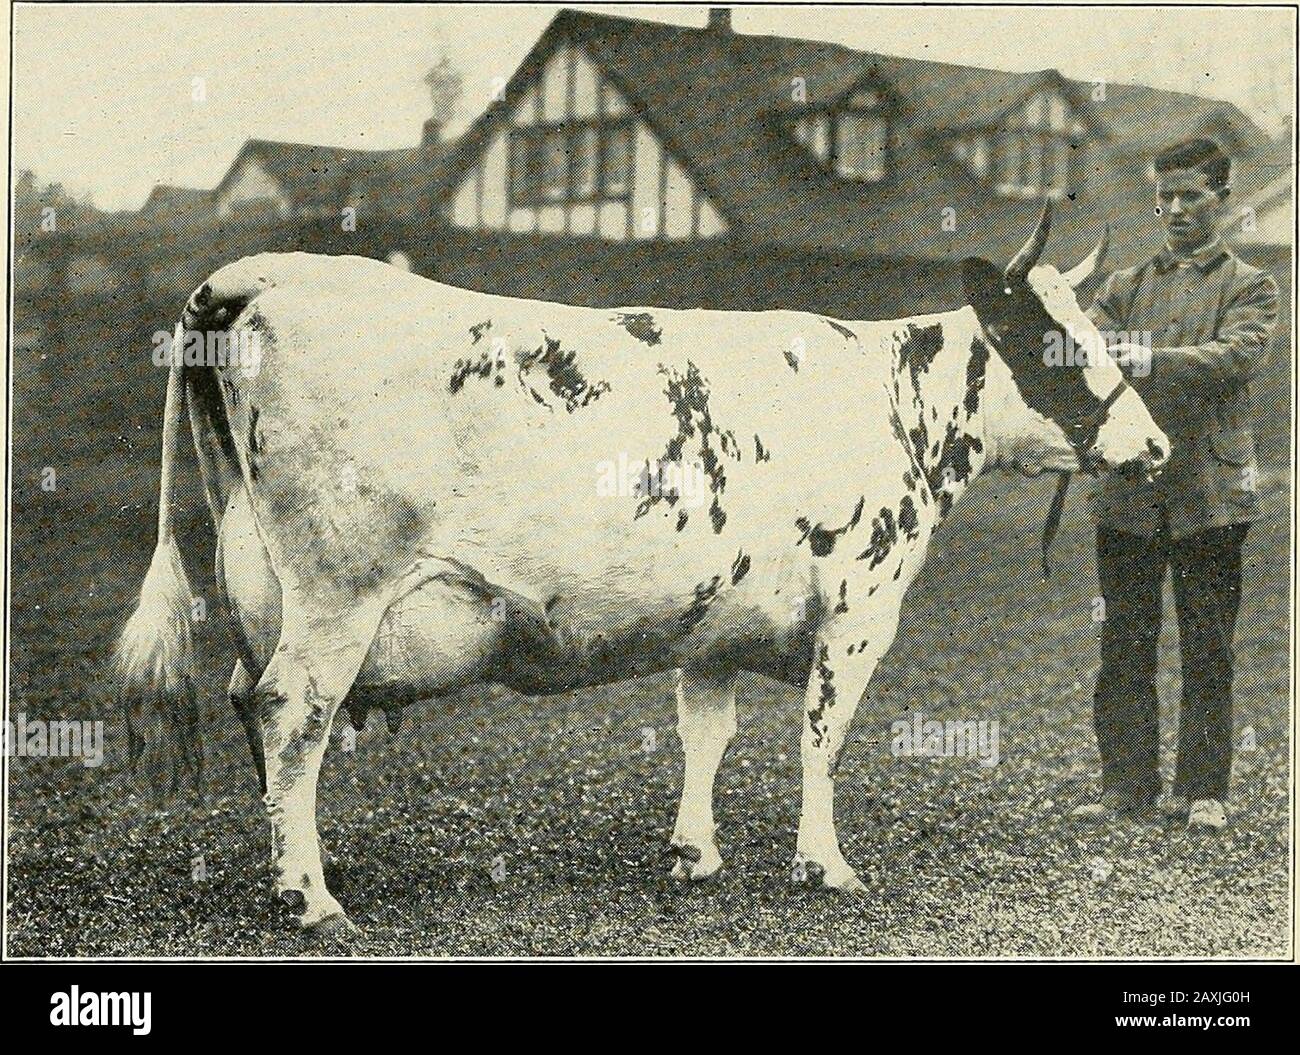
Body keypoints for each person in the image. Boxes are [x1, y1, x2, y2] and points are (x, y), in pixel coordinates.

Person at [1071, 138, 1279, 830]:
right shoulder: (1123, 286)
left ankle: (1202, 793)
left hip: (1210, 496)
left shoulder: (1251, 285)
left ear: (1223, 199)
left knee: (1207, 646)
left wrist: (1148, 357)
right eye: (1168, 195)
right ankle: (1126, 787)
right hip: (1130, 492)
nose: (1177, 208)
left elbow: (1237, 357)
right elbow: (1086, 353)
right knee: (1123, 644)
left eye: (1193, 194)